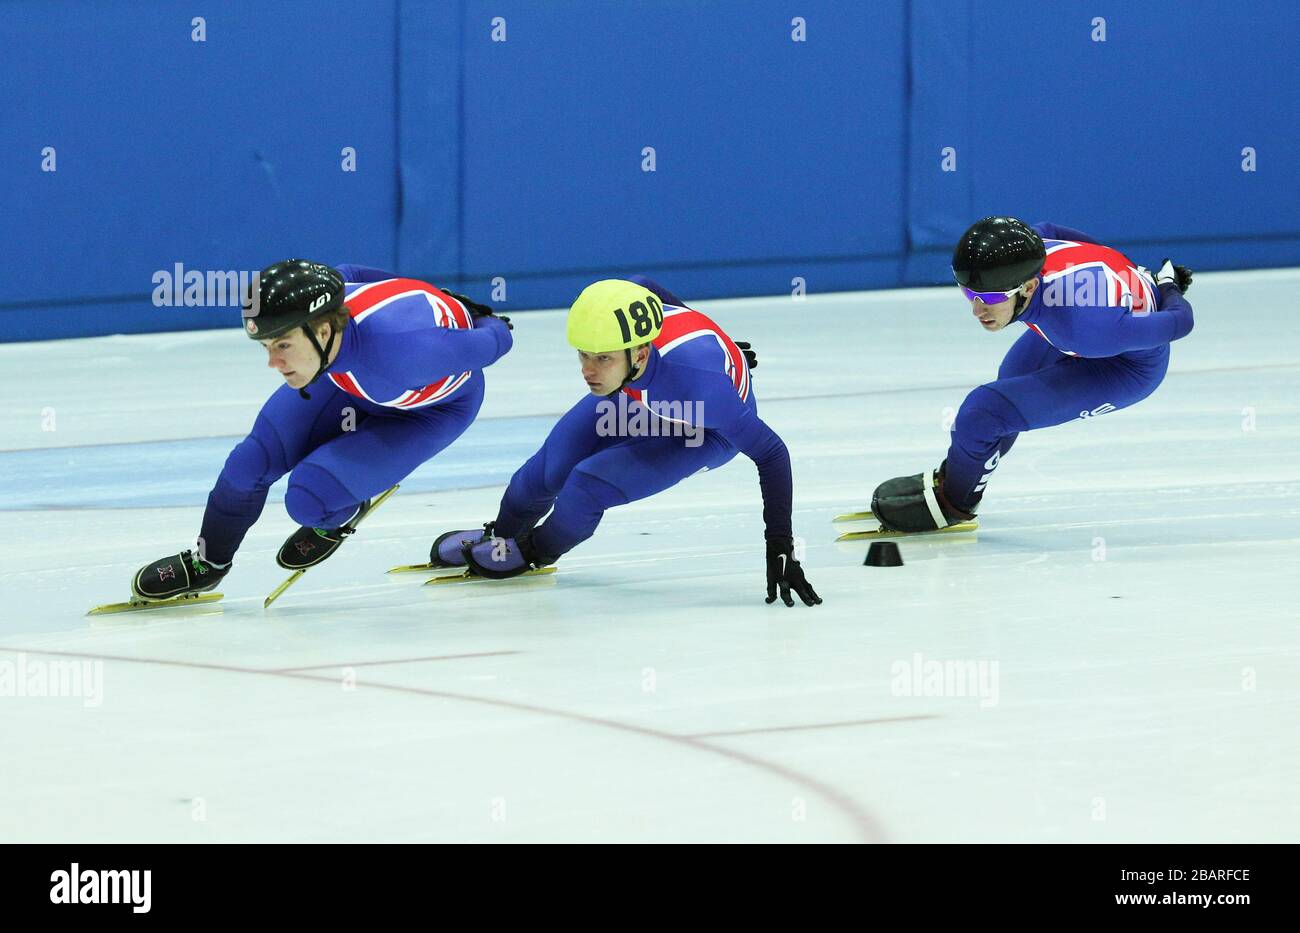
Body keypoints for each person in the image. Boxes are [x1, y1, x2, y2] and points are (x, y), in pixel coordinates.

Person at [130, 259, 513, 601]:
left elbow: (498, 342)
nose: (273, 362)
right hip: (345, 379)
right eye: (265, 345)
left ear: (324, 329)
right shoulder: (333, 299)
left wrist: (479, 316)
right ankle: (207, 564)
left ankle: (339, 513)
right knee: (248, 465)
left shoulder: (407, 350)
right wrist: (419, 289)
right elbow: (351, 273)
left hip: (424, 413)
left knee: (308, 500)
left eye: (282, 344)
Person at [430, 276, 820, 607]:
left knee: (586, 486)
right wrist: (725, 345)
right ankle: (501, 535)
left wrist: (779, 545)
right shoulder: (628, 316)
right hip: (638, 393)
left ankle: (534, 551)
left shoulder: (700, 390)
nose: (588, 371)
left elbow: (772, 453)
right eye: (583, 356)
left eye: (602, 359)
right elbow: (647, 286)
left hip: (702, 429)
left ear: (640, 351)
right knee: (544, 471)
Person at [872, 216, 1194, 531]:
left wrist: (1167, 284)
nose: (977, 309)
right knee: (1007, 382)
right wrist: (1126, 266)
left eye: (992, 298)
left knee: (983, 413)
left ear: (1029, 286)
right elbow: (1051, 228)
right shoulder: (1031, 244)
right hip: (1076, 316)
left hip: (1125, 366)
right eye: (969, 293)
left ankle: (954, 504)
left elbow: (1180, 323)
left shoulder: (1088, 330)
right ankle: (963, 473)